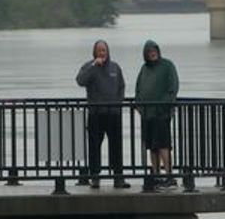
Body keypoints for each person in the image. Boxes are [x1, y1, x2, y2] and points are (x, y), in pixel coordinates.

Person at [75, 39, 130, 189]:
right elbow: (80, 81)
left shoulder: (115, 67)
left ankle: (118, 177)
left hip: (113, 114)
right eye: (99, 50)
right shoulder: (88, 66)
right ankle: (95, 177)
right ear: (95, 53)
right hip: (95, 114)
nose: (102, 53)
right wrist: (94, 66)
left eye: (104, 50)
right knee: (94, 146)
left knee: (116, 146)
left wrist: (118, 103)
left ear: (108, 51)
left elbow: (122, 86)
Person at [134, 39, 179, 188]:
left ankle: (169, 176)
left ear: (158, 52)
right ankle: (156, 175)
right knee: (152, 147)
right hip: (147, 114)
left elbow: (173, 88)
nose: (152, 53)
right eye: (149, 51)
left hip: (162, 114)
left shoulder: (168, 66)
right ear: (145, 54)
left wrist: (162, 106)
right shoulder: (144, 69)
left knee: (163, 145)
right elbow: (138, 89)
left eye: (154, 51)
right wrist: (140, 106)